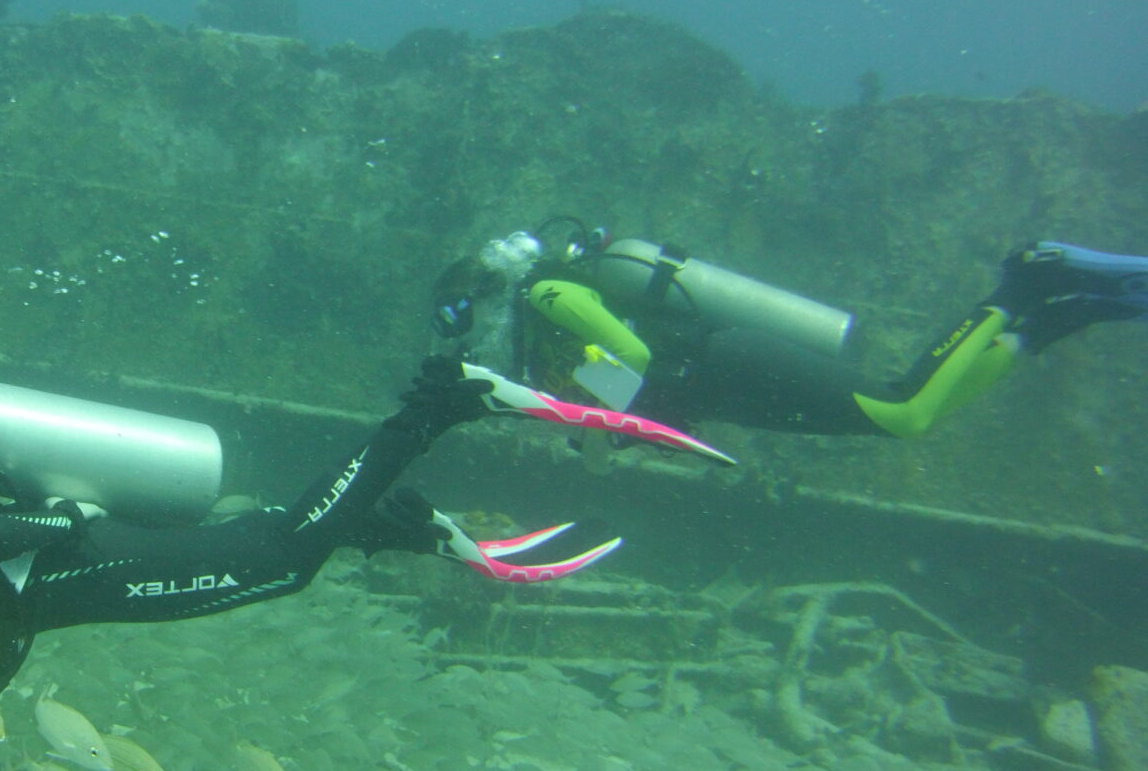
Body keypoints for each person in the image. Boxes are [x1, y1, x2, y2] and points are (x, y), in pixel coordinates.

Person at [0, 355, 649, 697]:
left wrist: (42, 523)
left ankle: (437, 403)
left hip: (46, 567)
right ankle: (396, 526)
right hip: (34, 570)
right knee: (268, 549)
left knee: (279, 559)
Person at [429, 219, 1148, 438]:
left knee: (901, 405)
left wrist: (596, 387)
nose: (464, 331)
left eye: (457, 312)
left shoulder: (547, 292)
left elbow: (634, 352)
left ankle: (1021, 283)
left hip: (729, 366)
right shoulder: (536, 337)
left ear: (480, 287)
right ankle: (1054, 322)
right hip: (720, 397)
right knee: (902, 420)